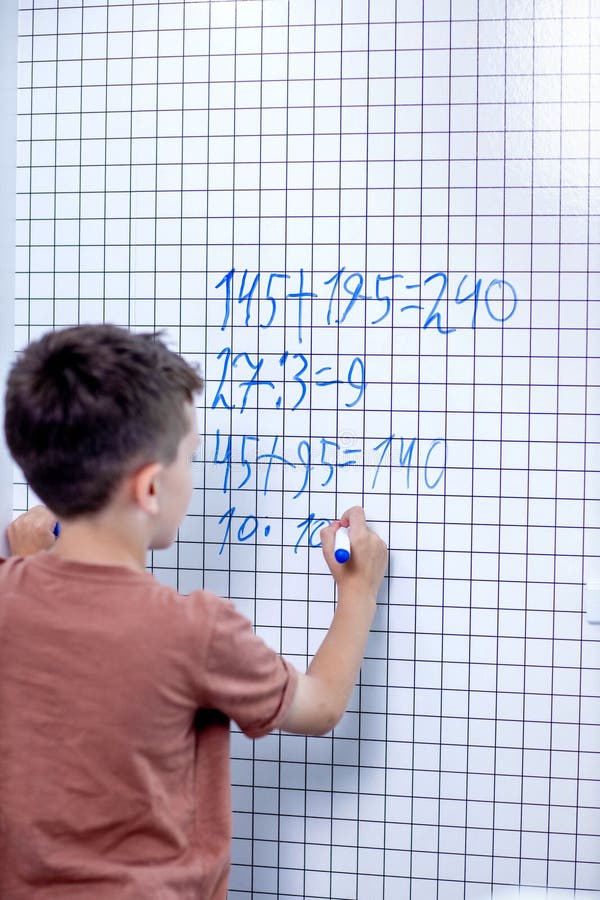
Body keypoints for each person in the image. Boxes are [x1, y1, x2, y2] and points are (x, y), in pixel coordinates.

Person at [1, 324, 388, 899]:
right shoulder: (197, 632)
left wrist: (30, 564)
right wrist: (358, 589)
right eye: (190, 458)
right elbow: (323, 705)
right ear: (152, 488)